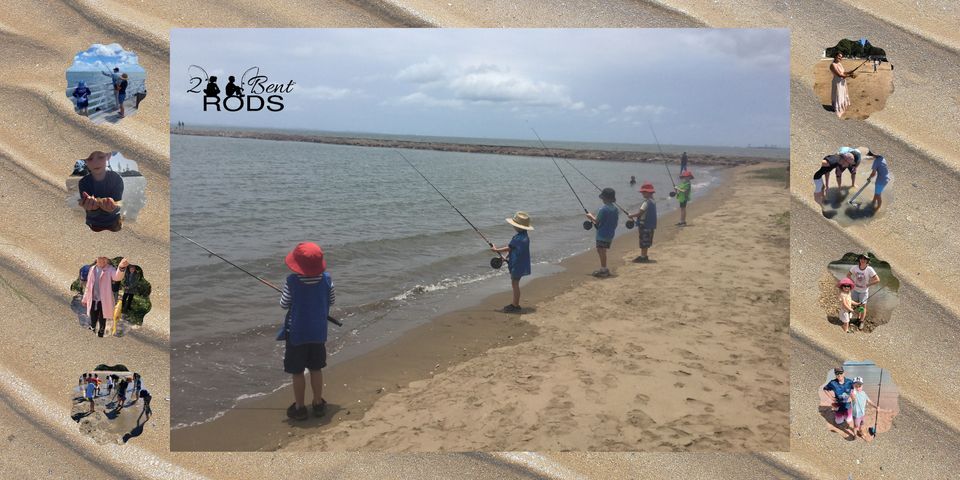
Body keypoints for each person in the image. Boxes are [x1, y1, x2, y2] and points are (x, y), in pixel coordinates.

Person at [277, 242, 335, 421]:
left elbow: (283, 304)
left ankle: (300, 407)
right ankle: (318, 403)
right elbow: (331, 300)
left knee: (297, 371)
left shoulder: (292, 281)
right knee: (316, 368)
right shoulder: (326, 279)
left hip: (297, 334)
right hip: (318, 332)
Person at [491, 212, 533, 313]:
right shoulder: (524, 237)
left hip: (517, 265)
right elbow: (513, 250)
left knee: (515, 284)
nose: (513, 226)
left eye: (515, 225)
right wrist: (504, 258)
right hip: (520, 263)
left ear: (519, 227)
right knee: (515, 283)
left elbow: (509, 248)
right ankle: (515, 304)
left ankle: (515, 305)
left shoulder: (518, 238)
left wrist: (496, 250)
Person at [78, 151, 124, 232]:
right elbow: (86, 208)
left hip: (113, 222)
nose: (96, 162)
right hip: (93, 224)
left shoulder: (116, 178)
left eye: (100, 157)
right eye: (90, 158)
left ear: (108, 156)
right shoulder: (84, 182)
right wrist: (92, 209)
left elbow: (119, 204)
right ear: (86, 161)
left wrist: (112, 208)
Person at [81, 257, 127, 337]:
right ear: (96, 259)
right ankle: (92, 327)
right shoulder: (92, 269)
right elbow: (88, 285)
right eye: (100, 258)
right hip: (93, 299)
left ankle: (101, 332)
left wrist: (121, 267)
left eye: (104, 258)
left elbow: (117, 277)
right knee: (93, 315)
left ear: (107, 260)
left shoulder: (110, 269)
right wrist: (85, 298)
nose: (103, 260)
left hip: (104, 300)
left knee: (103, 317)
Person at [585, 188, 618, 277]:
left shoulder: (603, 209)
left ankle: (604, 269)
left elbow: (596, 221)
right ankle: (604, 267)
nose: (602, 200)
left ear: (605, 198)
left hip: (602, 235)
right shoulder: (615, 209)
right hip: (610, 234)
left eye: (603, 198)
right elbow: (615, 222)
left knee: (601, 251)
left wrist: (590, 216)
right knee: (603, 251)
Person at [628, 182, 657, 263]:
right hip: (651, 225)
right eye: (642, 192)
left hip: (644, 225)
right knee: (647, 241)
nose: (642, 194)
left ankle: (643, 257)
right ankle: (644, 255)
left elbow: (639, 213)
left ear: (648, 192)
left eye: (644, 192)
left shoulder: (645, 203)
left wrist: (631, 216)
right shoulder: (653, 202)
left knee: (643, 241)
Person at [847, 254, 880, 326]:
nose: (862, 260)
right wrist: (852, 282)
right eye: (861, 258)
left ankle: (861, 321)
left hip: (864, 292)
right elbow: (848, 275)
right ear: (859, 259)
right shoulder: (855, 268)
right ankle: (857, 318)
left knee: (862, 306)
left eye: (865, 259)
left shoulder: (869, 269)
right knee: (855, 304)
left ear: (867, 261)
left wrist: (868, 285)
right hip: (855, 290)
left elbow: (877, 280)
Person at [823, 366, 856, 438]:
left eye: (841, 373)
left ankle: (846, 417)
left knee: (849, 419)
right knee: (838, 422)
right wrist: (831, 397)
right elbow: (825, 389)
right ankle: (836, 412)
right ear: (835, 375)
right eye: (837, 373)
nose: (839, 375)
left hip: (847, 405)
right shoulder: (833, 383)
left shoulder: (849, 382)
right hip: (839, 405)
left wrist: (853, 397)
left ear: (844, 373)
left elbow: (853, 390)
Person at [830, 52, 852, 118]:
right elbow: (839, 75)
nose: (840, 58)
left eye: (841, 57)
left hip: (842, 82)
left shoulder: (839, 63)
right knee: (838, 95)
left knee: (842, 94)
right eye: (839, 56)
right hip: (837, 82)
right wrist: (849, 75)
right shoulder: (833, 65)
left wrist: (849, 72)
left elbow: (843, 72)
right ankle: (837, 108)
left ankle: (841, 106)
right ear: (835, 56)